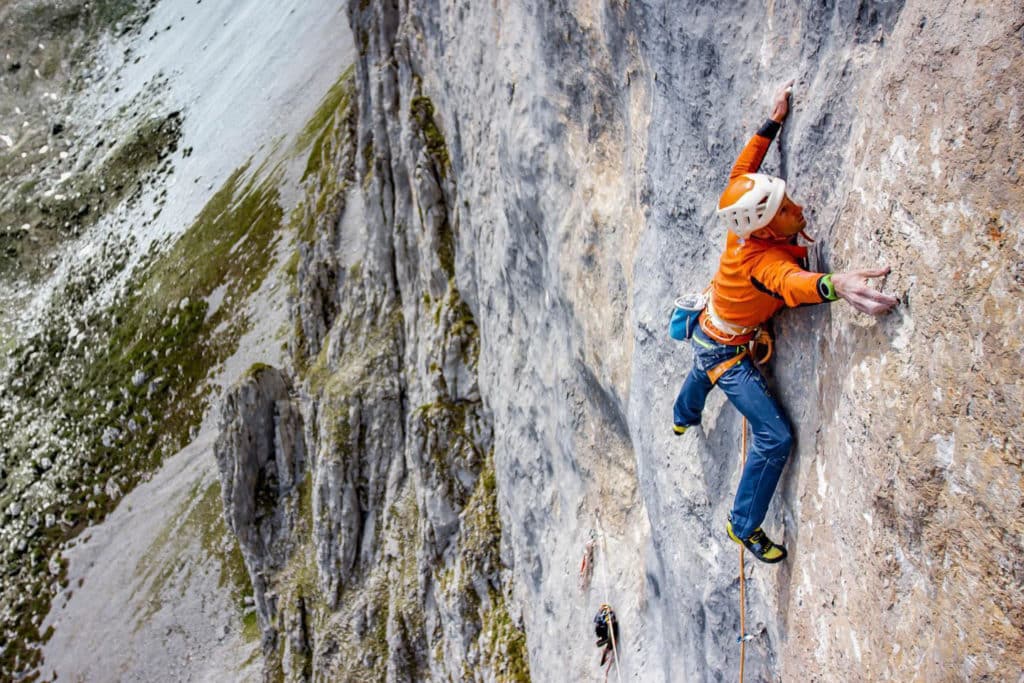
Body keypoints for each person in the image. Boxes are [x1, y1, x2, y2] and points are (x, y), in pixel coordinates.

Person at [673, 80, 898, 563]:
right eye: (784, 210)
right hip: (727, 351)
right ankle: (743, 523)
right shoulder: (760, 265)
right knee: (774, 437)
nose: (795, 208)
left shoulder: (742, 222)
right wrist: (839, 285)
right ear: (765, 227)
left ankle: (682, 416)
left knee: (699, 370)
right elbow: (793, 284)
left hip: (711, 325)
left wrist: (772, 121)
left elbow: (742, 171)